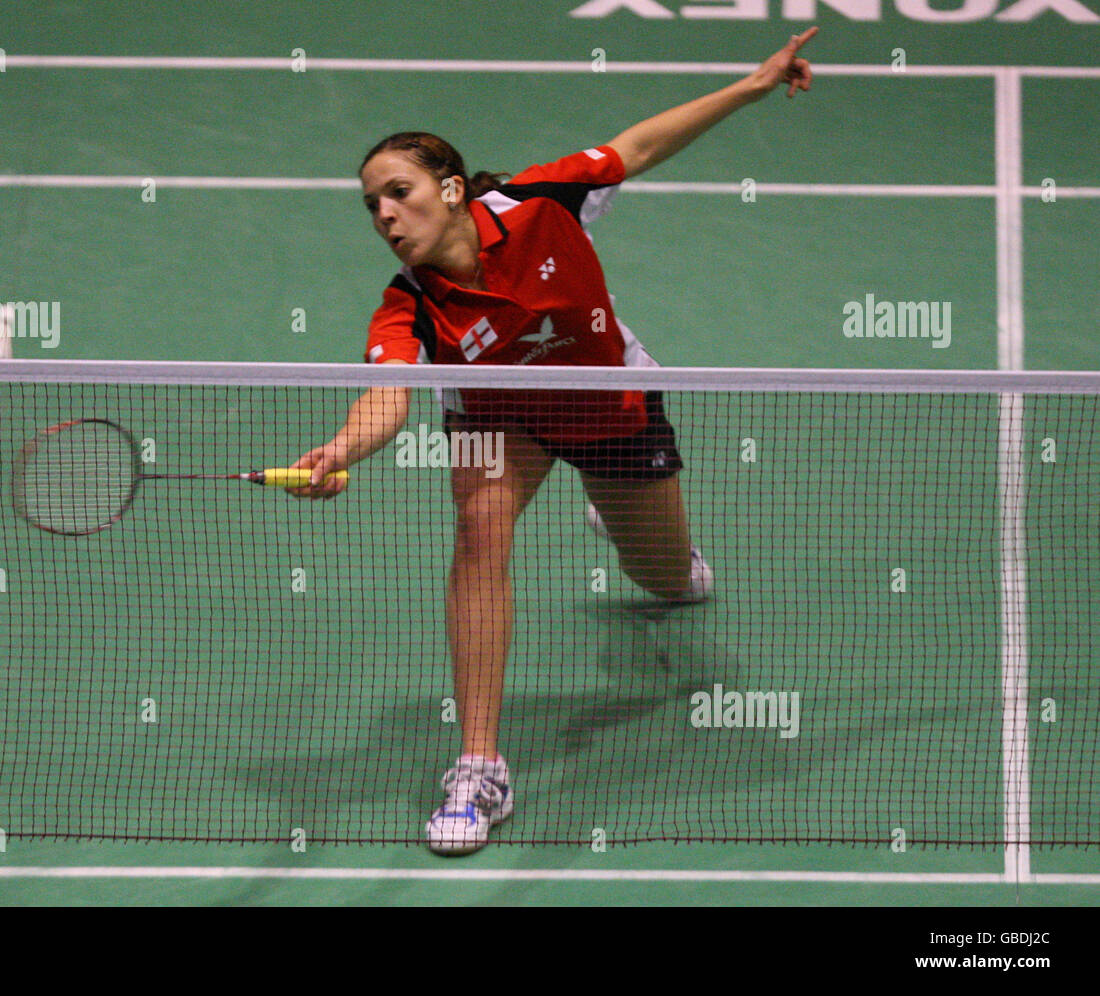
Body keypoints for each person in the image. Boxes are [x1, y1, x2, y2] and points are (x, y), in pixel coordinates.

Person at [290, 29, 818, 854]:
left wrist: (752, 86)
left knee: (671, 586)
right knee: (478, 533)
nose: (385, 216)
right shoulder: (410, 306)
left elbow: (637, 145)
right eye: (372, 206)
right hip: (498, 417)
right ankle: (478, 767)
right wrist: (340, 451)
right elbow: (386, 396)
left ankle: (636, 532)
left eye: (398, 192)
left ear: (454, 188)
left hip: (607, 402)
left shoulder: (542, 203)